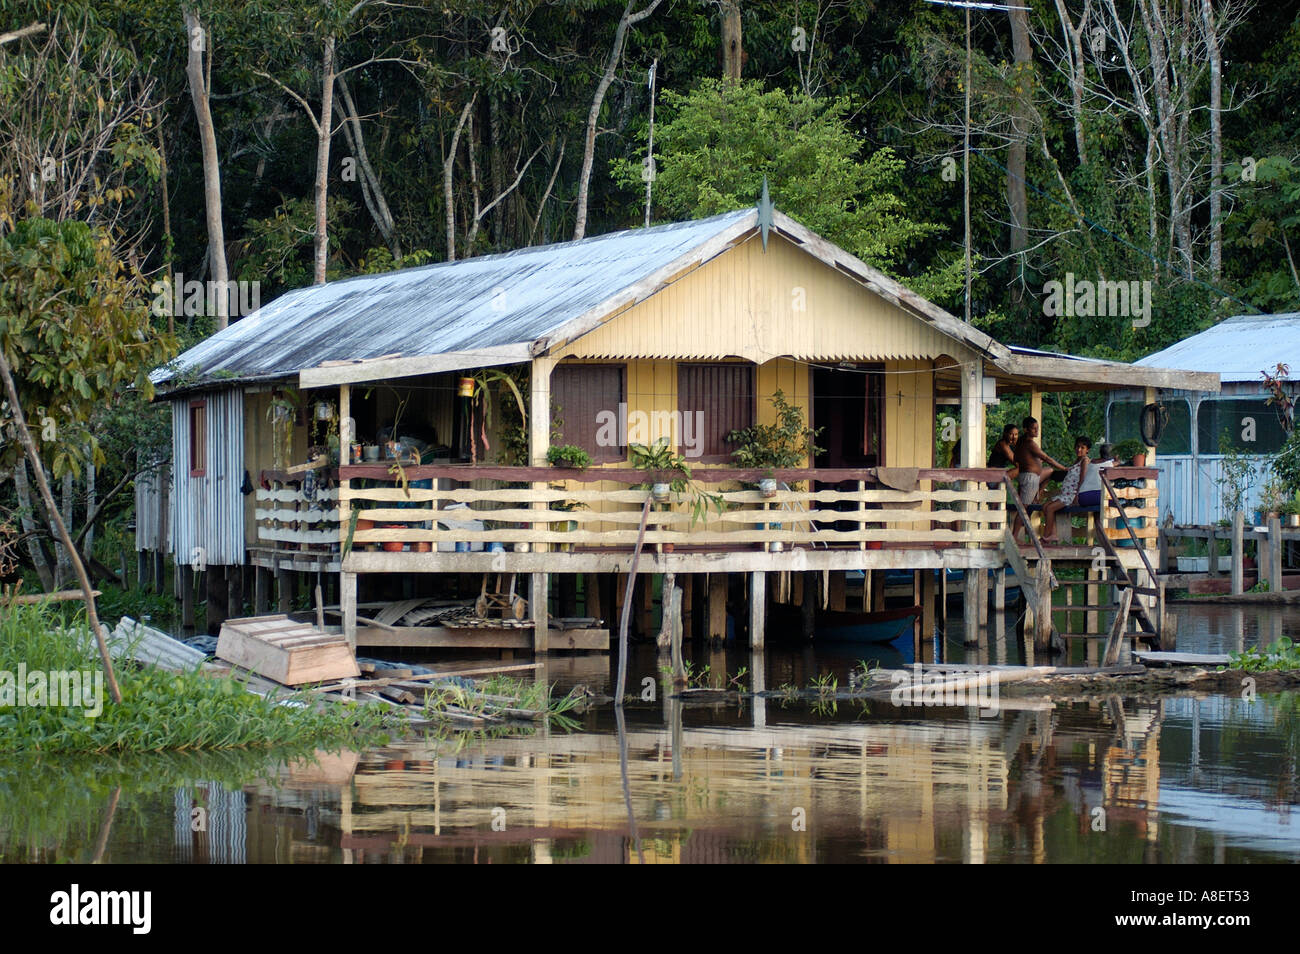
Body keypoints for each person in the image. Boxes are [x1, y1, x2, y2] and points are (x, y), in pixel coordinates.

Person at [1040, 436, 1109, 543]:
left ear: (1087, 450)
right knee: (1045, 506)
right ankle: (1053, 533)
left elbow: (1082, 478)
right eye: (1077, 447)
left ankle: (1046, 537)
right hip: (1066, 494)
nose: (1079, 449)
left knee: (1050, 509)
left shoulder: (1085, 461)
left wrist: (1077, 495)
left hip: (1072, 495)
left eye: (1082, 447)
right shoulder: (1077, 461)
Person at [1014, 416, 1066, 509]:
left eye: (1037, 428)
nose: (1037, 430)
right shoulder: (1029, 443)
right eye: (1034, 428)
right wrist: (1064, 468)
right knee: (1024, 509)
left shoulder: (1020, 441)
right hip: (1029, 478)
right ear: (1026, 430)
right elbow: (1047, 458)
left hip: (1026, 476)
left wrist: (1034, 461)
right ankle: (1018, 523)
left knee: (1049, 470)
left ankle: (1038, 494)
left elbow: (1018, 458)